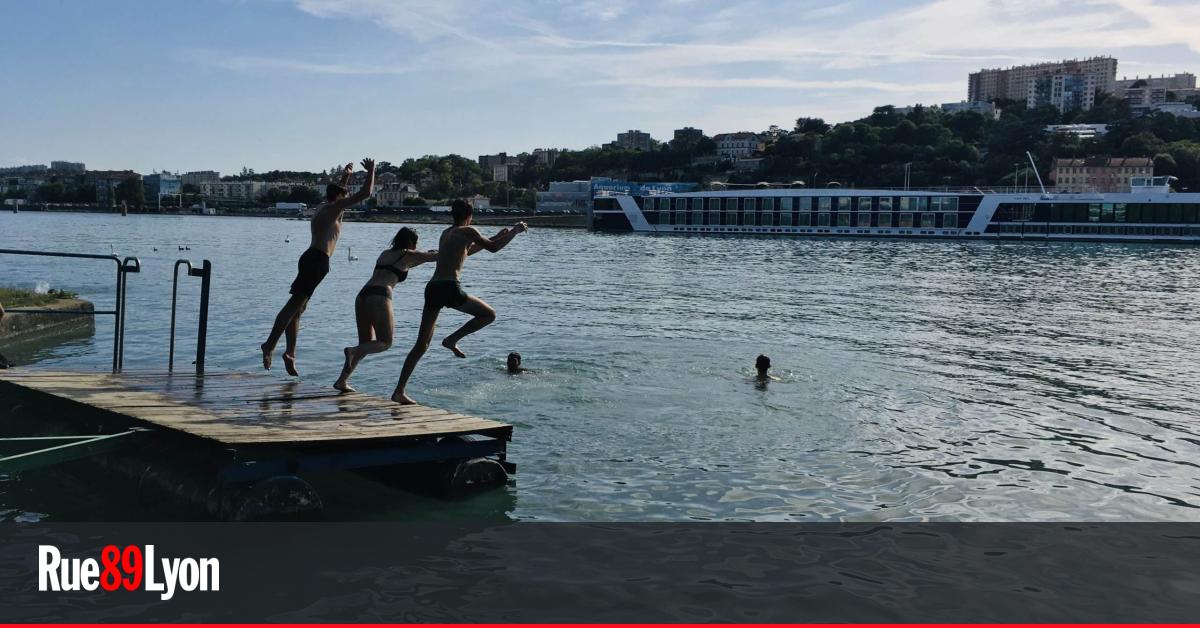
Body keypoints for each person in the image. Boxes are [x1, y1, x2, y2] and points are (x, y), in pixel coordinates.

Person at [391, 199, 527, 404]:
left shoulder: (447, 233)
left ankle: (399, 391)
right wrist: (515, 231)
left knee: (421, 344)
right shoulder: (468, 231)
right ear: (469, 216)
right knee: (488, 315)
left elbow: (467, 251)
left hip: (433, 288)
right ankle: (452, 340)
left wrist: (498, 236)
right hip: (449, 287)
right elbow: (494, 249)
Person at [261, 158, 376, 376]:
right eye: (344, 196)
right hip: (317, 260)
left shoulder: (324, 205)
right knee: (293, 305)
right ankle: (270, 344)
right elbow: (366, 193)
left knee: (298, 309)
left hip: (312, 258)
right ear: (339, 198)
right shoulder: (333, 207)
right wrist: (371, 170)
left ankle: (290, 353)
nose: (346, 203)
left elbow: (338, 192)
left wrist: (347, 175)